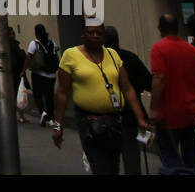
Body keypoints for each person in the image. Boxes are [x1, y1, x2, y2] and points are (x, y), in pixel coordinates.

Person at [51, 20, 151, 175]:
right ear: (84, 35)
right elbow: (62, 93)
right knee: (101, 166)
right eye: (91, 32)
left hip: (115, 121)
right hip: (89, 121)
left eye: (99, 33)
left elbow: (127, 88)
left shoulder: (113, 55)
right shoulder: (71, 55)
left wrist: (140, 118)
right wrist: (58, 126)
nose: (95, 36)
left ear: (104, 36)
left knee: (113, 166)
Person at [149, 13, 195, 173]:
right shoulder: (192, 49)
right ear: (177, 27)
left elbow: (159, 78)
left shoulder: (159, 48)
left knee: (170, 158)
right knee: (193, 158)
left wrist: (153, 109)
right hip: (193, 112)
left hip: (169, 115)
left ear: (160, 28)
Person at [105, 24, 153, 174]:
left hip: (106, 115)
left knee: (107, 157)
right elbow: (149, 83)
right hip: (130, 113)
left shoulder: (98, 62)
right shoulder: (130, 58)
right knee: (131, 153)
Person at [26, 24, 60, 125]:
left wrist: (24, 69)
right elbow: (56, 51)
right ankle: (51, 118)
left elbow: (29, 57)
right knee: (49, 96)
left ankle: (42, 112)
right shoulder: (52, 43)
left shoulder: (34, 43)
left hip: (38, 74)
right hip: (52, 75)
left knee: (37, 94)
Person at [7, 27, 28, 123]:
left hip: (14, 73)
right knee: (18, 93)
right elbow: (18, 59)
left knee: (16, 94)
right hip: (17, 73)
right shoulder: (13, 45)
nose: (13, 35)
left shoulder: (8, 45)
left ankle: (17, 114)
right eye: (11, 33)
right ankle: (20, 115)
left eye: (13, 33)